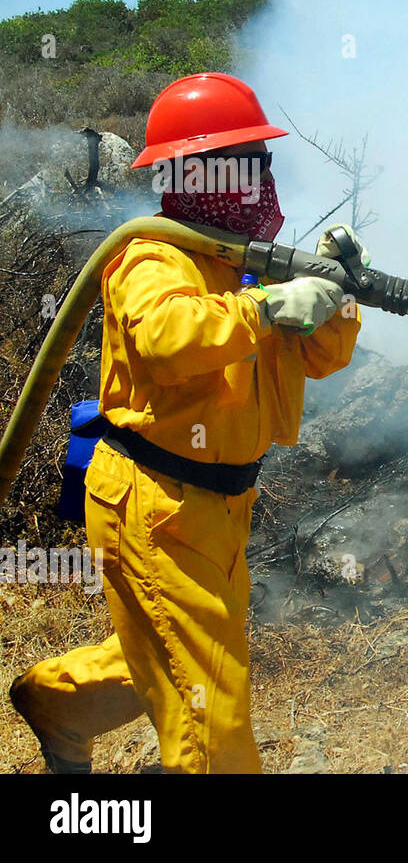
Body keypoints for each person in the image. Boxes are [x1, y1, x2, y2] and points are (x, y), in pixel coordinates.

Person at [8, 73, 361, 773]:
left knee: (173, 649)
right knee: (212, 711)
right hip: (155, 501)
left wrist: (339, 295)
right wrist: (265, 309)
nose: (258, 178)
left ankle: (57, 702)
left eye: (260, 160)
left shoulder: (245, 264)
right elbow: (168, 340)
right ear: (197, 174)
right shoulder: (152, 255)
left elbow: (318, 358)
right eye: (242, 163)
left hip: (224, 506)